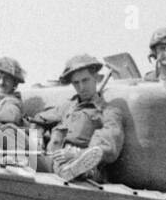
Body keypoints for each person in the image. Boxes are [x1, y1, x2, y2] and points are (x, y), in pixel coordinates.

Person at [43, 54, 125, 182]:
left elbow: (108, 147)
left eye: (85, 80)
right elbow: (40, 119)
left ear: (96, 78)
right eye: (76, 83)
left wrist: (76, 154)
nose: (81, 87)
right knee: (11, 134)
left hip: (85, 166)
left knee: (81, 166)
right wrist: (35, 141)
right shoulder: (67, 107)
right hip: (51, 161)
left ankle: (77, 170)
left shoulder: (108, 112)